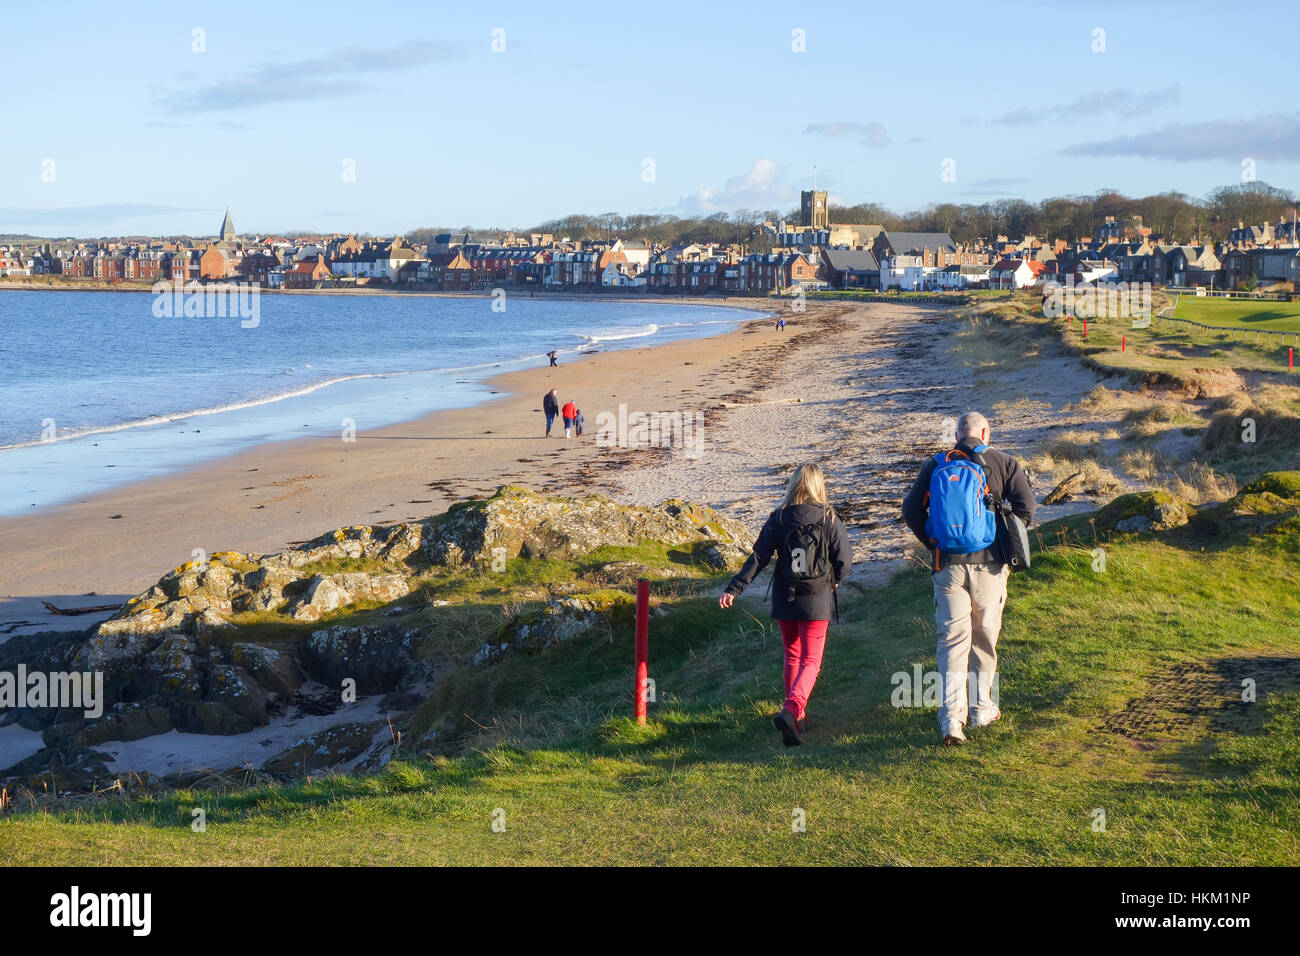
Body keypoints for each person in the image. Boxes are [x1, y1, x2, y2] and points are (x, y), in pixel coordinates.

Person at [901, 411, 1036, 747]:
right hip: (990, 565)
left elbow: (911, 510)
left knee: (952, 642)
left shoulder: (935, 465)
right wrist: (1003, 541)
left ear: (957, 435)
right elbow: (1027, 508)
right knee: (984, 638)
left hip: (947, 566)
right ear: (985, 432)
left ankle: (951, 722)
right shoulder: (1005, 462)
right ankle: (981, 708)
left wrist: (933, 542)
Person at [719, 463, 851, 747]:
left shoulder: (778, 518)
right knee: (811, 660)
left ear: (793, 485)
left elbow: (759, 557)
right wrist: (835, 580)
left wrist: (735, 588)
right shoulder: (829, 518)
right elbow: (844, 560)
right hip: (815, 598)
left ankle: (796, 717)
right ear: (819, 486)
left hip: (785, 597)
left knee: (792, 655)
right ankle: (792, 710)